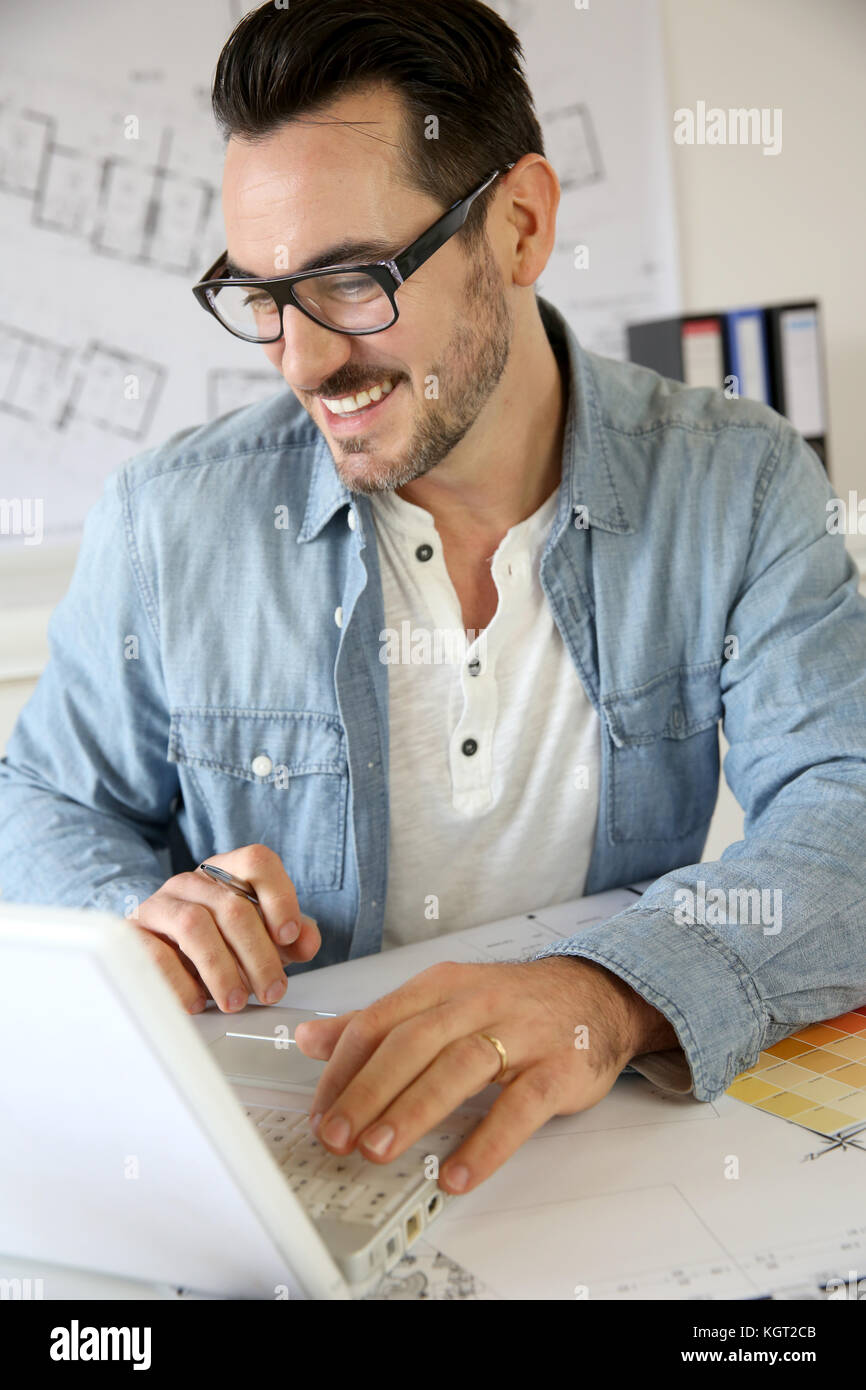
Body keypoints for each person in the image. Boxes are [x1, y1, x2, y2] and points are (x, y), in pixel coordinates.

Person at [1, 0, 864, 1200]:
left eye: (350, 282)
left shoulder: (739, 480)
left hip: (606, 1157)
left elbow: (848, 803)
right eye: (260, 294)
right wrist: (135, 912)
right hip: (289, 1164)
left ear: (516, 226)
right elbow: (32, 801)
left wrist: (608, 992)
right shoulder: (168, 520)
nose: (302, 363)